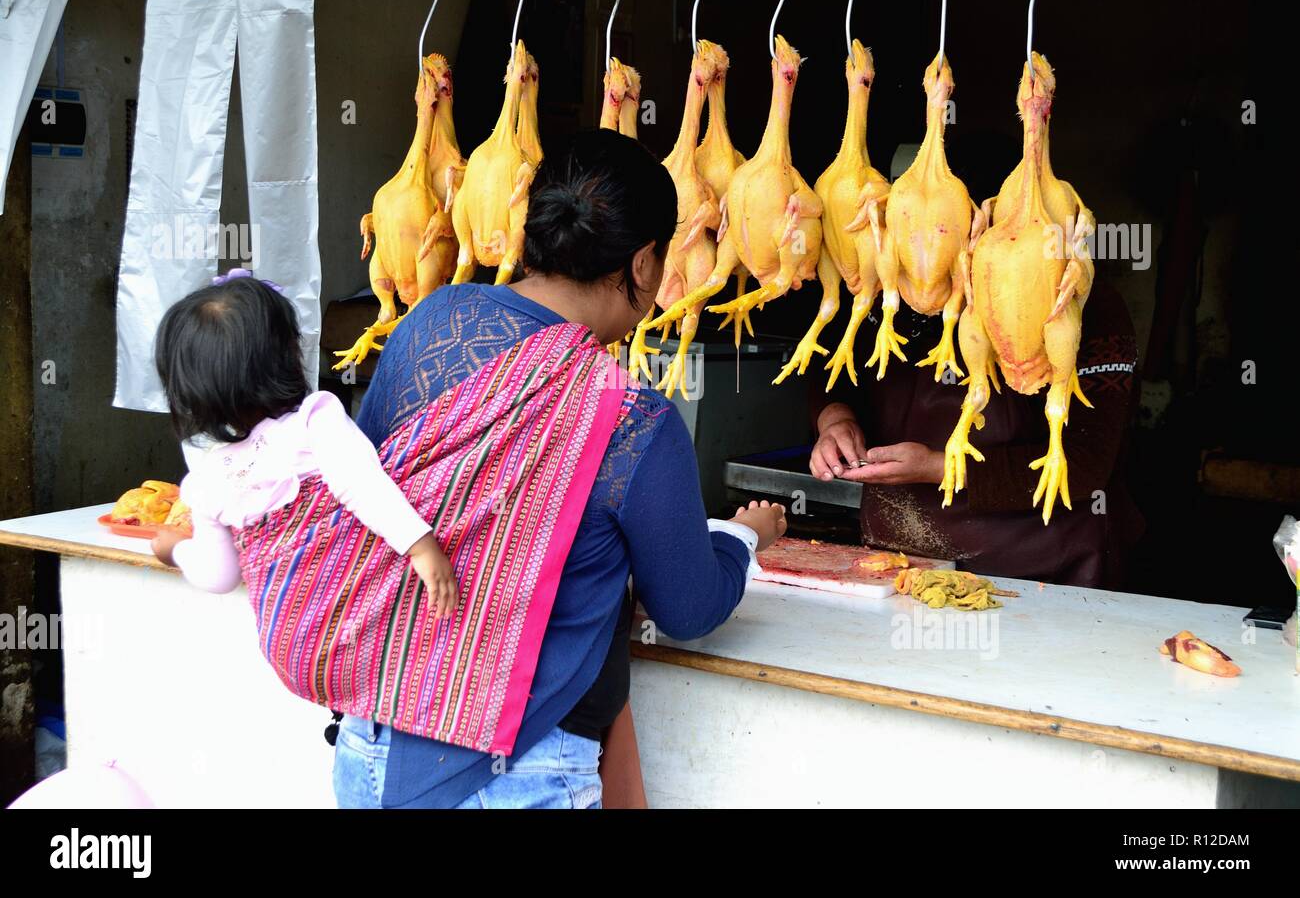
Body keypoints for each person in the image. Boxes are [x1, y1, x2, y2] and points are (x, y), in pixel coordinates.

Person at [336, 129, 787, 808]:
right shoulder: (632, 420)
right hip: (516, 772)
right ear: (642, 266)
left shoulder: (431, 325)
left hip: (370, 746)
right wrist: (742, 539)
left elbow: (364, 500)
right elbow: (688, 607)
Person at [149, 271, 456, 615]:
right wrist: (419, 545)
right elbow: (361, 483)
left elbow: (220, 576)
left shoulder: (204, 482)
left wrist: (176, 551)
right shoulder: (314, 421)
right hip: (351, 620)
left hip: (286, 643)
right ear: (290, 354)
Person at [810, 277, 1142, 588]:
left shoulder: (1082, 301)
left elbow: (1087, 462)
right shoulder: (881, 279)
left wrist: (940, 468)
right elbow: (824, 362)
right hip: (898, 564)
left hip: (1042, 571)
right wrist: (835, 419)